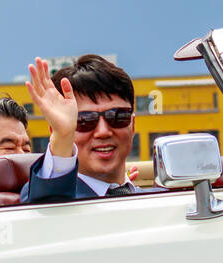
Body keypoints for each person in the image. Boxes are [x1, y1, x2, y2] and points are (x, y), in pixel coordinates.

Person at [20, 55, 145, 202]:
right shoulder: (50, 199)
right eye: (85, 120)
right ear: (55, 133)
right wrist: (63, 137)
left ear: (133, 124)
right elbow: (46, 208)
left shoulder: (161, 201)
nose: (103, 132)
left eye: (118, 117)